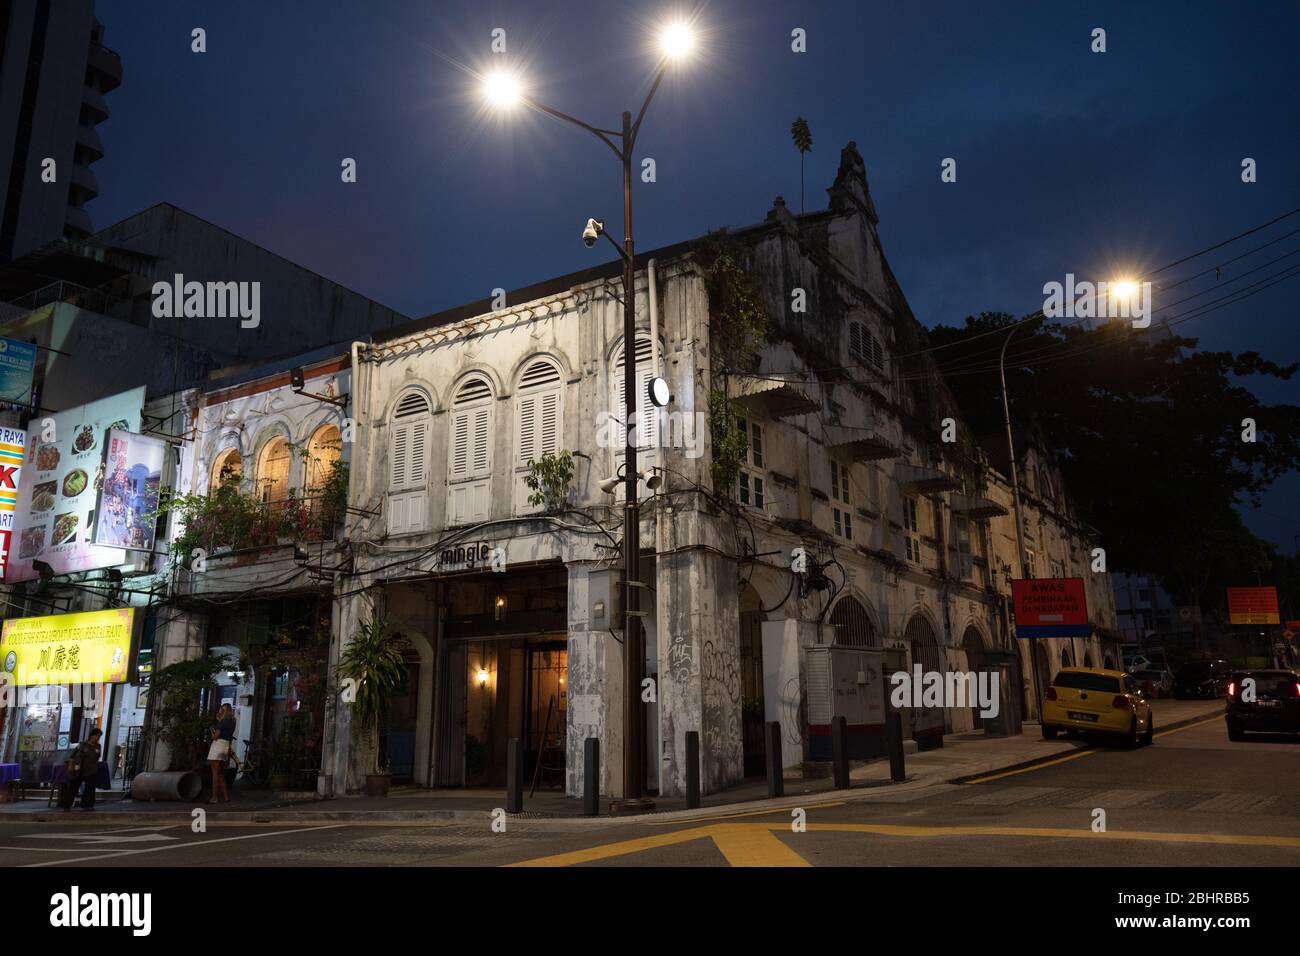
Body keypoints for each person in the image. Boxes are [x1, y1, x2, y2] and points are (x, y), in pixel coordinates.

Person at [60, 728, 103, 811]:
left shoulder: (98, 746)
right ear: (92, 736)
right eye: (97, 736)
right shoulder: (82, 745)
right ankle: (67, 805)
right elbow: (74, 755)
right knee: (73, 787)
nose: (97, 738)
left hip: (91, 770)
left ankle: (87, 805)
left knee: (90, 788)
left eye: (99, 737)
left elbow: (97, 756)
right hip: (79, 769)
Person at [207, 704, 236, 803]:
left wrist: (212, 731)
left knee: (215, 773)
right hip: (225, 746)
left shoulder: (222, 722)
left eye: (221, 710)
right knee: (220, 774)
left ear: (223, 711)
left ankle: (214, 797)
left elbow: (216, 737)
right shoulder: (232, 722)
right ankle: (226, 796)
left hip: (217, 746)